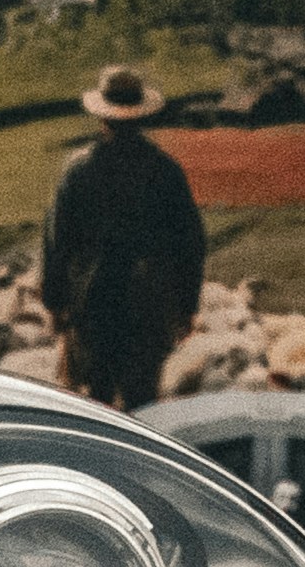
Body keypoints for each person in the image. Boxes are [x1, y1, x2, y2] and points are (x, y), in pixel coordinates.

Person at [35, 64, 206, 412]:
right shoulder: (165, 171)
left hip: (93, 300)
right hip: (149, 301)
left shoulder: (79, 170)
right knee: (143, 401)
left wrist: (55, 302)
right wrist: (186, 306)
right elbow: (190, 242)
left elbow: (57, 240)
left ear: (103, 118)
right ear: (140, 116)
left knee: (94, 399)